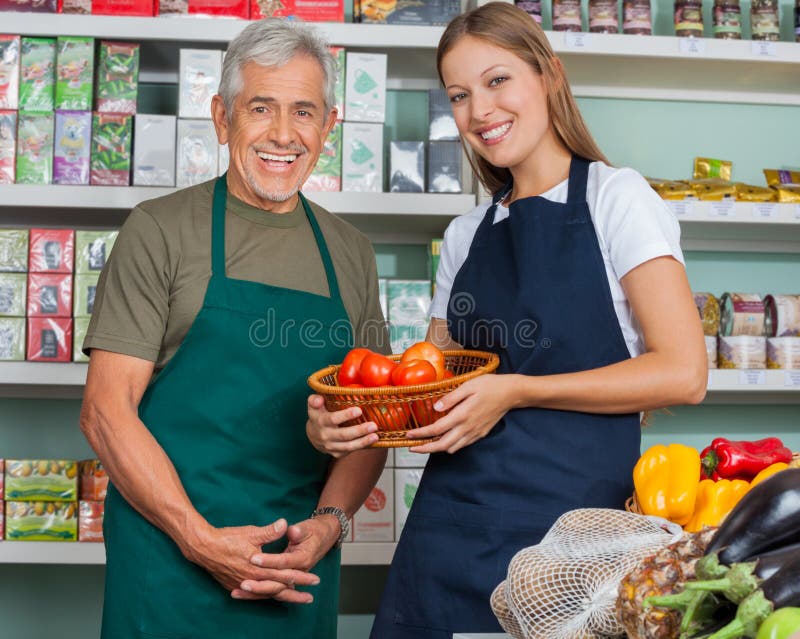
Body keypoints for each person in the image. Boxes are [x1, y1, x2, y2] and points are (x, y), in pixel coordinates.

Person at [306, 3, 707, 637]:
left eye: (498, 81)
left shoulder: (617, 198)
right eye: (460, 95)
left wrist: (518, 391)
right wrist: (351, 418)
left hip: (575, 551)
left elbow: (683, 373)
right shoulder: (467, 234)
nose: (480, 111)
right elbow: (428, 385)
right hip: (451, 535)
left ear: (548, 74)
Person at [79, 18, 389, 639]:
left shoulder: (350, 253)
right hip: (168, 570)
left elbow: (373, 425)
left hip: (296, 575)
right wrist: (199, 540)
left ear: (329, 127)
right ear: (222, 119)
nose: (282, 134)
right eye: (260, 108)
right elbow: (105, 413)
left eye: (304, 112)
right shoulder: (160, 231)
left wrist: (328, 525)